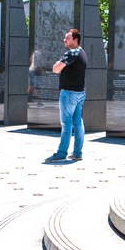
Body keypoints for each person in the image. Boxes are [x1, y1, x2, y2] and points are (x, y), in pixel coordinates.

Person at [45, 29, 87, 163]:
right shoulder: (82, 52)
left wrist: (58, 64)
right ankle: (77, 153)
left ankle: (61, 153)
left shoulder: (72, 53)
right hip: (80, 93)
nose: (64, 40)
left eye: (67, 38)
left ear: (75, 40)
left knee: (66, 123)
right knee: (78, 122)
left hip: (69, 93)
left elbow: (55, 69)